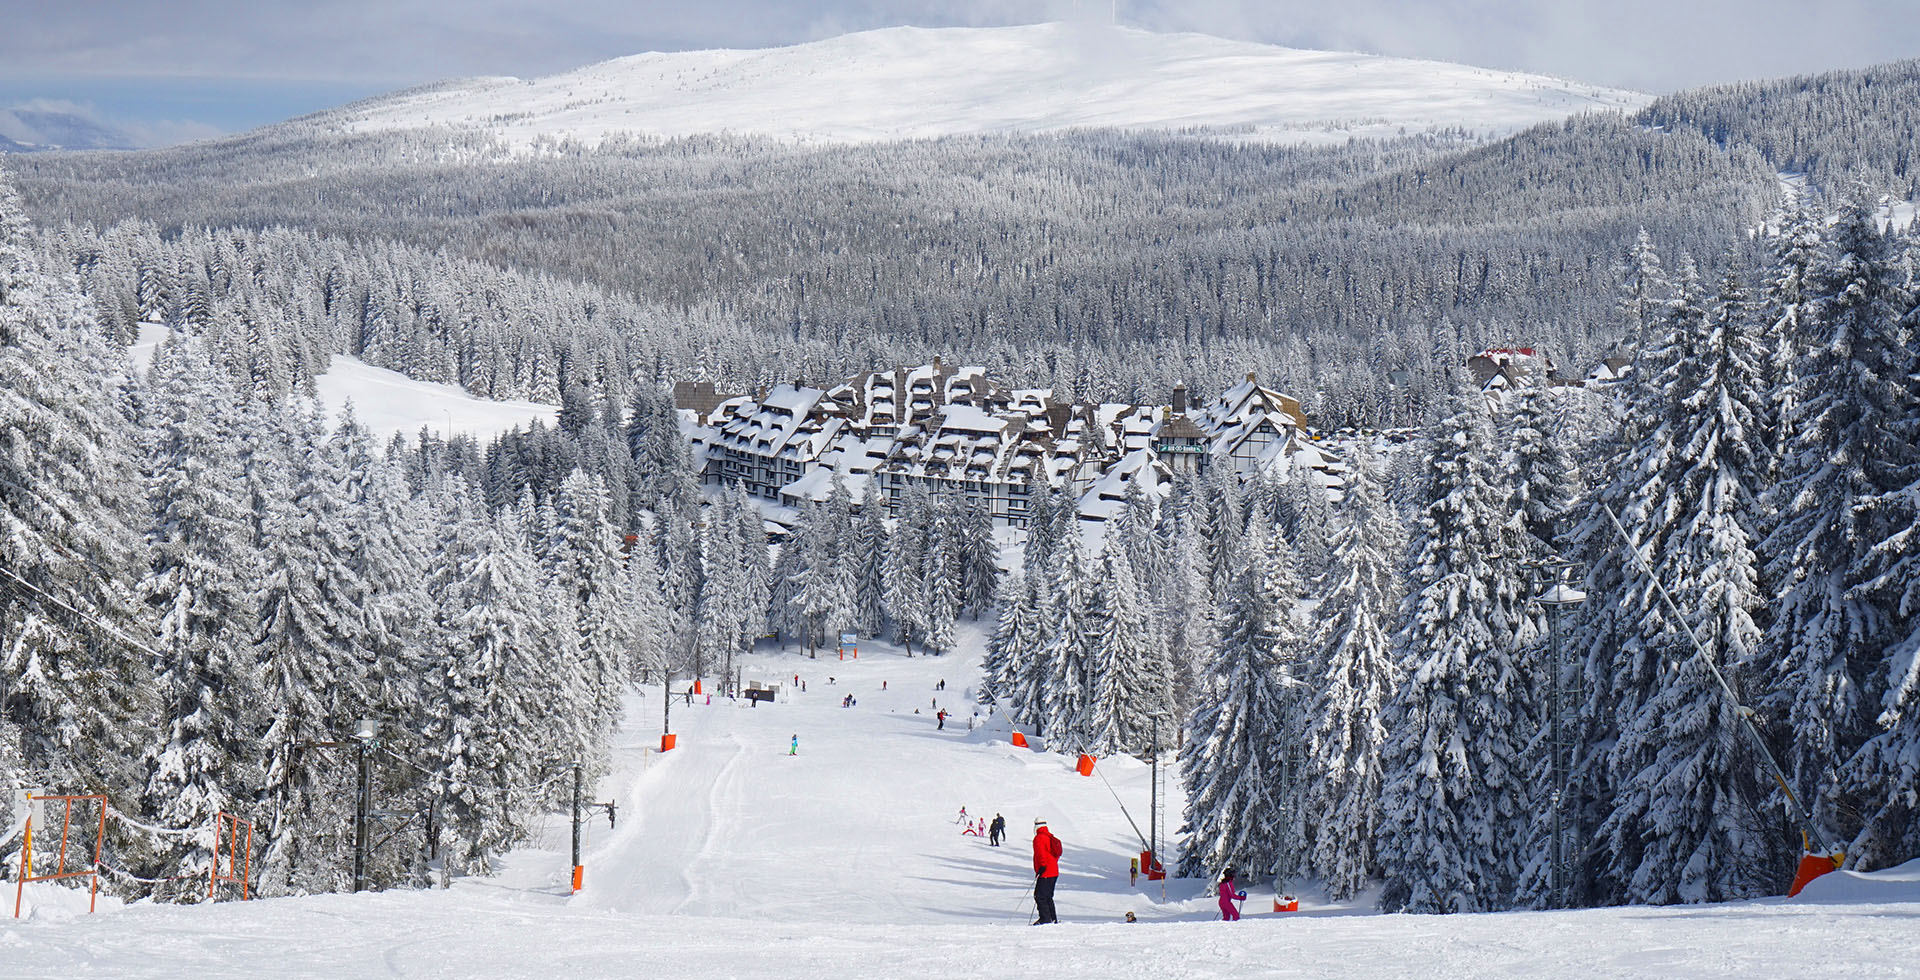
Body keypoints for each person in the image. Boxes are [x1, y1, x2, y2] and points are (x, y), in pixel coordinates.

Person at [1032, 818, 1062, 924]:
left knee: (1039, 896)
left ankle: (1045, 918)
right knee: (1048, 896)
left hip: (1045, 872)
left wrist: (1043, 866)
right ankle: (1052, 918)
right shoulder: (1050, 837)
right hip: (1054, 871)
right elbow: (1057, 853)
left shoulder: (1039, 838)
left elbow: (1041, 854)